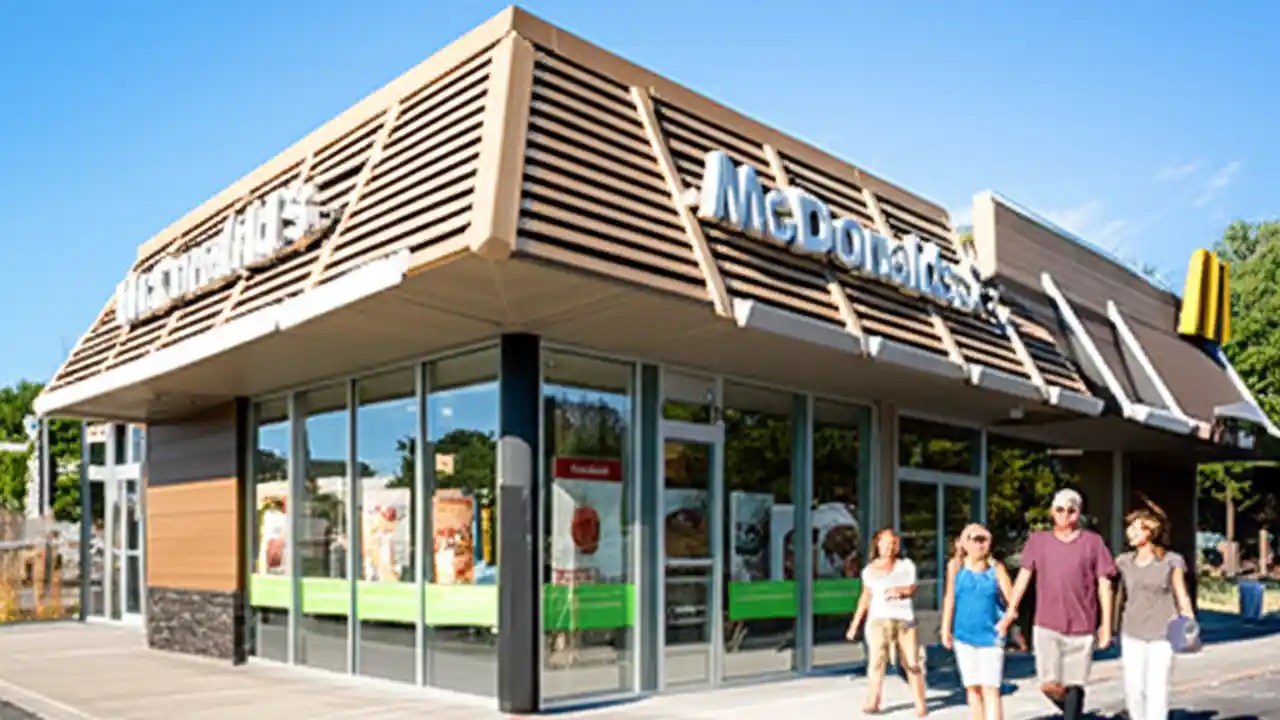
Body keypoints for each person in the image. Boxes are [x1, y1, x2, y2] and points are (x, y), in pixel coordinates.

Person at [999, 489, 1116, 720]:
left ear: (1079, 513)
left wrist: (1107, 625)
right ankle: (1074, 712)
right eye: (1060, 509)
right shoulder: (1038, 541)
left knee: (1074, 683)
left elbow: (1105, 585)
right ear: (1052, 512)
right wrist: (1012, 608)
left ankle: (1072, 715)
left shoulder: (1093, 543)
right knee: (1048, 684)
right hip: (1047, 623)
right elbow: (1024, 576)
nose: (1065, 515)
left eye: (1071, 510)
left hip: (1082, 623)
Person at [1114, 504, 1195, 720]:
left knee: (1157, 688)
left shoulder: (1171, 561)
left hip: (1163, 633)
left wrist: (1189, 624)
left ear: (1150, 532)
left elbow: (1181, 594)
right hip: (1132, 631)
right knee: (1134, 688)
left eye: (1136, 528)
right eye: (1129, 528)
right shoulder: (1123, 562)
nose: (1129, 533)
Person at [846, 528, 928, 717]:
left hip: (904, 619)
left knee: (912, 662)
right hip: (878, 620)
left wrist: (900, 591)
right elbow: (865, 598)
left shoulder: (906, 565)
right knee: (877, 662)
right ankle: (872, 701)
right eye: (886, 543)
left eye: (893, 544)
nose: (890, 548)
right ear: (878, 545)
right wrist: (854, 625)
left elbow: (912, 588)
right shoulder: (869, 571)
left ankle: (920, 703)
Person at [942, 523, 1015, 720]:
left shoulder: (996, 569)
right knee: (972, 688)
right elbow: (950, 598)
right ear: (964, 543)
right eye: (975, 539)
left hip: (991, 637)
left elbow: (1013, 602)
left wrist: (1005, 623)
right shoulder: (955, 567)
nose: (980, 544)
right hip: (963, 636)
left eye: (984, 540)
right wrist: (945, 629)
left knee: (991, 688)